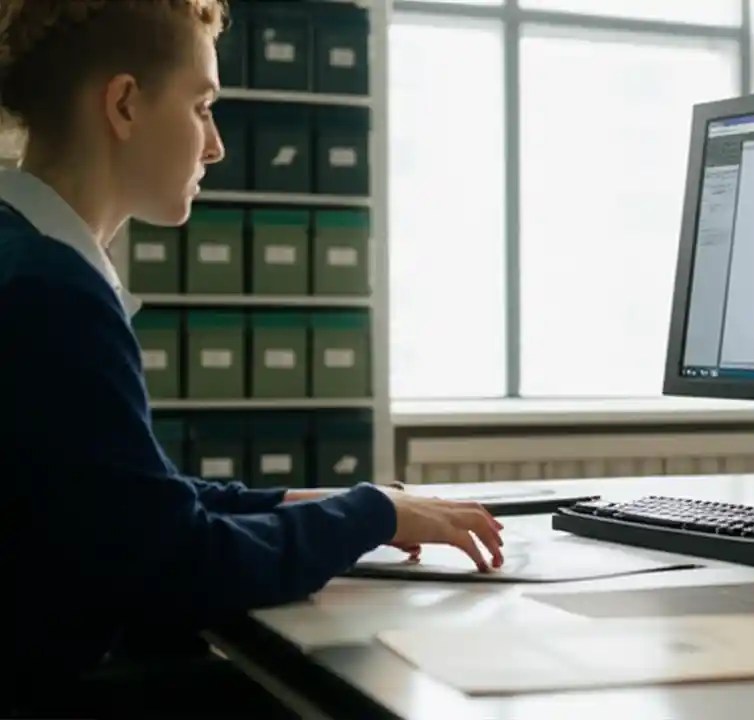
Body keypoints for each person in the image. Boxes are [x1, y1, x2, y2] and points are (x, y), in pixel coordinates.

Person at [0, 1, 504, 715]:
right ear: (124, 104)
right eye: (202, 106)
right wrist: (369, 517)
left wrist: (320, 501)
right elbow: (179, 563)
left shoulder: (24, 256)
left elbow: (135, 502)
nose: (215, 147)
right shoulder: (52, 294)